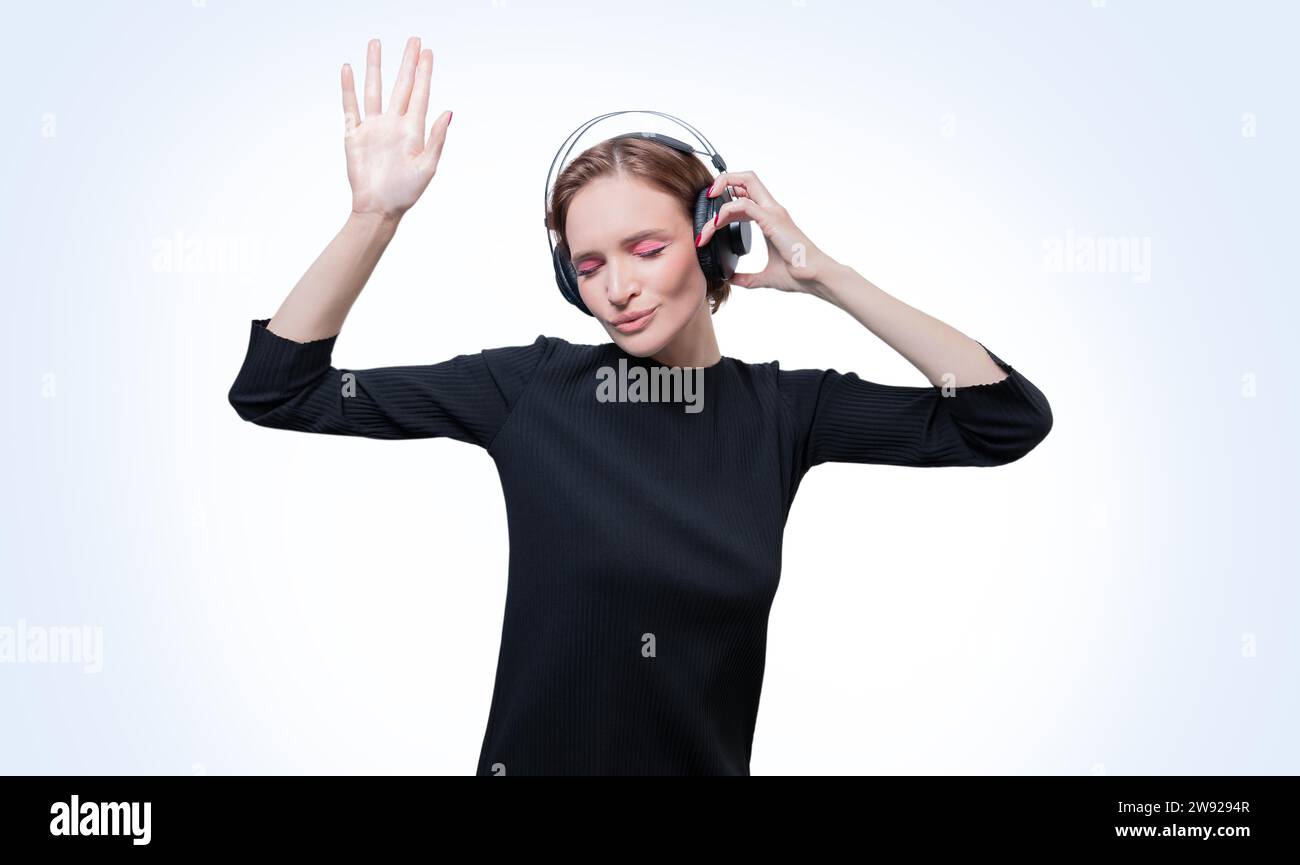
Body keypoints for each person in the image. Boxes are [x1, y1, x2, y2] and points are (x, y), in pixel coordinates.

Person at [228, 36, 1053, 775]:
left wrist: (826, 276)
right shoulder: (528, 390)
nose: (617, 287)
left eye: (647, 249)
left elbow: (1004, 419)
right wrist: (373, 218)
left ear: (715, 240)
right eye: (588, 266)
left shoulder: (783, 412)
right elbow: (278, 390)